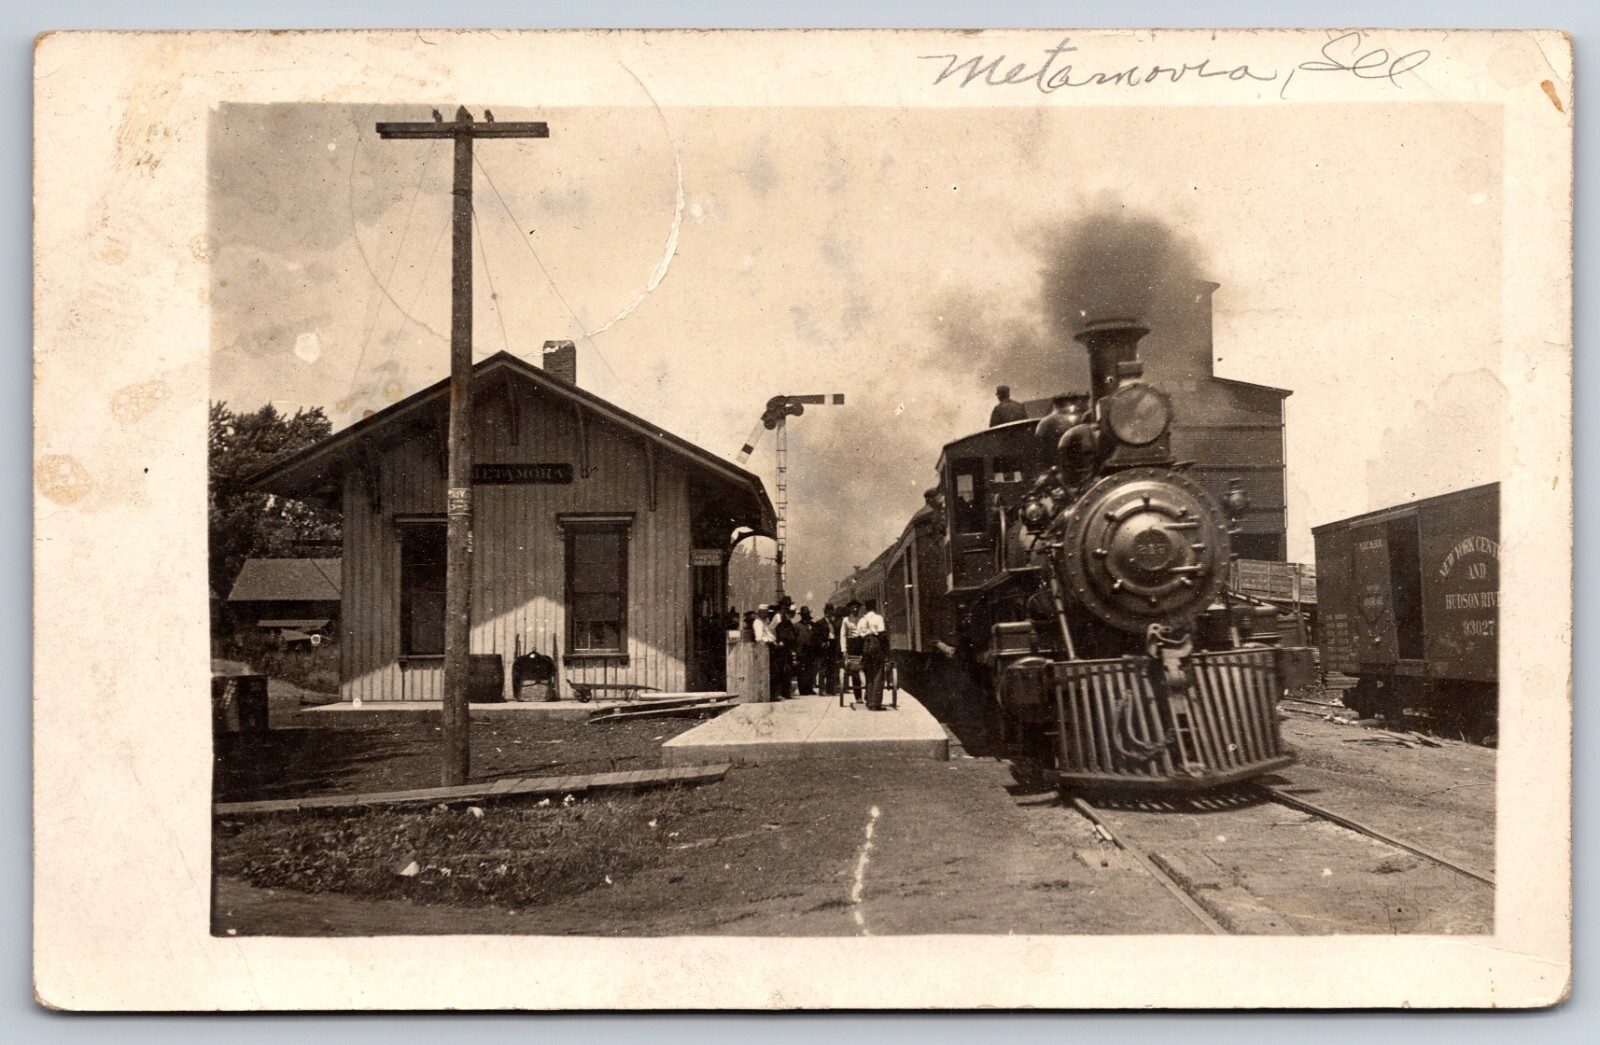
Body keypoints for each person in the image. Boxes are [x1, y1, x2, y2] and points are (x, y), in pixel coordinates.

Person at [858, 598, 889, 710]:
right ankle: (875, 703)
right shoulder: (878, 618)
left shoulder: (862, 620)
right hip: (875, 644)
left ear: (866, 608)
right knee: (878, 673)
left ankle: (869, 700)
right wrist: (886, 650)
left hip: (865, 646)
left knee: (869, 673)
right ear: (875, 607)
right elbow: (882, 634)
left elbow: (859, 635)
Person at [840, 601, 867, 705]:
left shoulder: (863, 619)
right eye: (853, 608)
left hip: (862, 644)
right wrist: (844, 650)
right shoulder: (846, 620)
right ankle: (858, 696)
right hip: (852, 646)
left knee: (866, 668)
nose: (855, 609)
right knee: (854, 671)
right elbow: (843, 635)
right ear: (850, 609)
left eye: (856, 607)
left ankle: (868, 692)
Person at [772, 602, 798, 700]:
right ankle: (779, 693)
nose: (786, 607)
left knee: (788, 670)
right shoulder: (778, 616)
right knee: (780, 670)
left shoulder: (787, 617)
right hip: (781, 647)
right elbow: (772, 628)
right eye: (785, 606)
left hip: (787, 647)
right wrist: (778, 640)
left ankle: (786, 692)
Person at [813, 605, 839, 695]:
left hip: (832, 647)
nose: (831, 613)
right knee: (823, 668)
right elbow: (815, 636)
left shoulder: (833, 623)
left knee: (831, 669)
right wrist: (822, 643)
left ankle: (830, 689)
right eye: (829, 611)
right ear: (826, 612)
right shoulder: (819, 623)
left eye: (832, 611)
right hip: (824, 648)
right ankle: (822, 690)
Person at [794, 606, 817, 695]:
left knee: (811, 670)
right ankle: (803, 689)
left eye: (807, 614)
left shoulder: (813, 625)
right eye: (804, 614)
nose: (806, 616)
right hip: (802, 651)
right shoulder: (796, 626)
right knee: (802, 670)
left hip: (811, 650)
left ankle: (810, 688)